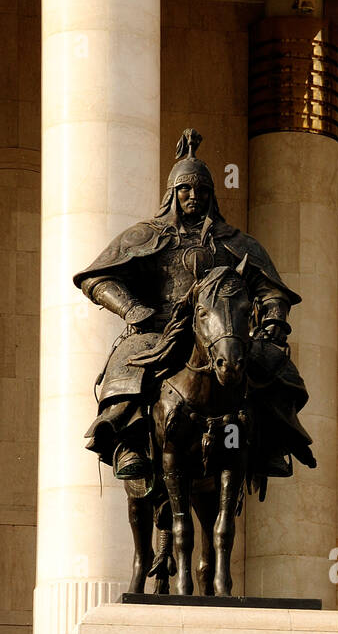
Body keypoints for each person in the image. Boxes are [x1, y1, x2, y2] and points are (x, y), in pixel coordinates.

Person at [73, 128, 316, 489]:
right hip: (158, 329)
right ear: (172, 193)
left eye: (201, 190)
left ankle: (273, 445)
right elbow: (97, 279)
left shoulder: (234, 242)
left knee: (277, 366)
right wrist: (130, 309)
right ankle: (128, 443)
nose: (194, 196)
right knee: (127, 363)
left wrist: (275, 321)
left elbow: (269, 289)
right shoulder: (146, 236)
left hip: (220, 332)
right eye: (185, 189)